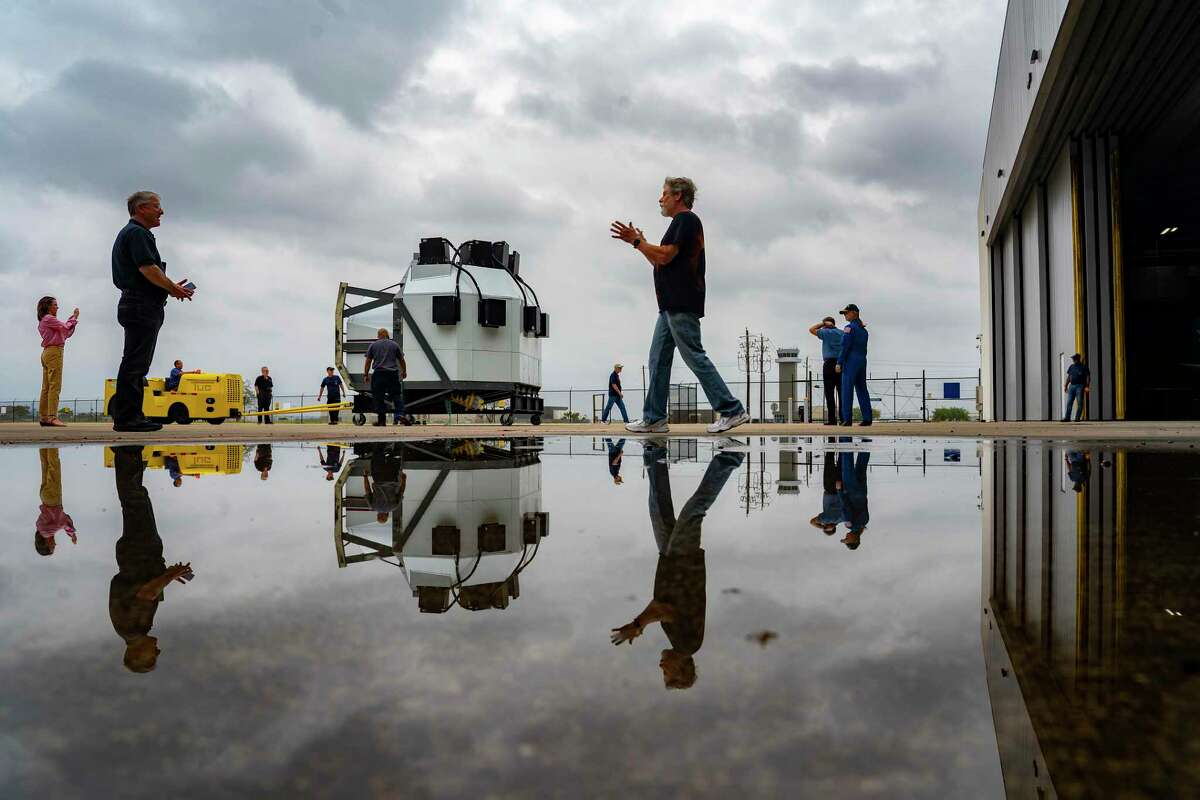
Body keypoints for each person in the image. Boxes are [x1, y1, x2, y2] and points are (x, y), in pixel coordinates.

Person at [610, 177, 749, 434]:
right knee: (658, 359)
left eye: (664, 194)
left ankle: (732, 410)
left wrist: (638, 242)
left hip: (681, 300)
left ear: (678, 196)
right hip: (669, 304)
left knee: (693, 355)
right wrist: (640, 243)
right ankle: (654, 418)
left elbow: (664, 255)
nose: (660, 199)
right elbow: (661, 262)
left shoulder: (686, 220)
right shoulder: (679, 224)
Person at [610, 439, 744, 690]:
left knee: (658, 507)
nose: (662, 668)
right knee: (694, 510)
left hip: (671, 560)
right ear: (682, 667)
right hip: (683, 560)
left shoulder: (678, 641)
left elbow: (666, 608)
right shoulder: (688, 644)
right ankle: (731, 458)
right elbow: (664, 609)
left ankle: (654, 452)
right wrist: (637, 625)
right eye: (667, 673)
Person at [110, 191, 194, 433]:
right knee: (136, 363)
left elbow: (147, 272)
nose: (161, 211)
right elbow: (148, 268)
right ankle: (128, 417)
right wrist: (173, 288)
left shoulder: (132, 233)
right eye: (157, 206)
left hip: (136, 302)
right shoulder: (138, 233)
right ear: (141, 208)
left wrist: (169, 287)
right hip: (141, 304)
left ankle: (130, 414)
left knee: (135, 361)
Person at [110, 445, 194, 673]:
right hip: (137, 556)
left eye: (152, 656)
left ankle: (127, 453)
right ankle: (131, 457)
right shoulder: (130, 630)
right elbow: (147, 591)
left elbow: (145, 594)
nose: (157, 651)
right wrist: (165, 576)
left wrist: (168, 575)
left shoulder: (134, 630)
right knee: (138, 500)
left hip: (139, 554)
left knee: (134, 501)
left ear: (138, 654)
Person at [36, 296, 79, 428]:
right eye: (55, 305)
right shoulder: (49, 318)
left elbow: (66, 333)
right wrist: (74, 318)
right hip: (55, 352)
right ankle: (52, 417)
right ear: (48, 306)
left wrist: (72, 322)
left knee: (46, 387)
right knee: (55, 385)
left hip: (47, 352)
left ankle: (44, 417)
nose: (57, 307)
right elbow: (65, 327)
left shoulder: (45, 321)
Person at [363, 328, 411, 427]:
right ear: (387, 335)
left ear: (378, 335)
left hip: (379, 374)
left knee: (378, 397)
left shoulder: (373, 345)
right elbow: (402, 360)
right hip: (392, 374)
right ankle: (399, 414)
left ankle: (382, 421)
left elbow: (368, 361)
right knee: (396, 394)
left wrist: (366, 374)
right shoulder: (394, 345)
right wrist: (404, 371)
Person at [35, 448, 77, 556]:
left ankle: (52, 444)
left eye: (52, 547)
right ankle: (44, 443)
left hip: (53, 499)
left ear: (47, 544)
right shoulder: (40, 529)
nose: (55, 545)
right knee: (45, 466)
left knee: (54, 467)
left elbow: (63, 522)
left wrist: (72, 534)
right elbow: (61, 522)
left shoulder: (47, 532)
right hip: (44, 497)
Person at [837, 303, 872, 426]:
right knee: (862, 389)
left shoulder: (849, 328)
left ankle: (847, 419)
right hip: (862, 360)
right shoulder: (864, 331)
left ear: (854, 313)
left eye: (847, 313)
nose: (845, 315)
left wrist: (839, 362)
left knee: (847, 389)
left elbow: (845, 346)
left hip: (850, 361)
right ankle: (867, 418)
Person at [808, 317, 844, 425]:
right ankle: (844, 418)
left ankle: (832, 419)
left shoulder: (826, 332)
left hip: (829, 364)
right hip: (841, 363)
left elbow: (811, 329)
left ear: (827, 324)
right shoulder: (842, 333)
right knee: (842, 392)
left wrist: (822, 324)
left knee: (829, 392)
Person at [364, 444, 406, 523]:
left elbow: (401, 491)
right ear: (378, 515)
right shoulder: (373, 506)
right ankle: (383, 436)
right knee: (378, 453)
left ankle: (400, 438)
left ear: (387, 516)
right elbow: (367, 490)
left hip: (392, 477)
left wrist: (404, 479)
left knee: (396, 455)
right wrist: (365, 476)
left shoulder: (394, 507)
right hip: (378, 477)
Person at [839, 451, 871, 550]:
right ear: (853, 539)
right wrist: (839, 490)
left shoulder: (865, 522)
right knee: (847, 463)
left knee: (862, 464)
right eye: (847, 539)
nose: (846, 536)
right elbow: (845, 506)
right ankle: (845, 438)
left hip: (862, 492)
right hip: (851, 491)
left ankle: (866, 440)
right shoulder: (849, 524)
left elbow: (865, 503)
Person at [808, 450, 843, 536]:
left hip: (840, 491)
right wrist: (822, 527)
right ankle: (831, 440)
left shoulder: (841, 519)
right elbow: (812, 522)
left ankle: (843, 443)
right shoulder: (825, 520)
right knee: (829, 462)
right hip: (829, 490)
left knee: (840, 465)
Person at [1062, 353, 1090, 421]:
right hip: (1072, 386)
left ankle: (1077, 418)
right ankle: (1067, 418)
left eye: (1075, 359)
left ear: (1078, 359)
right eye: (1073, 359)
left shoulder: (1084, 367)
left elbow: (1088, 377)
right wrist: (1066, 385)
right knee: (1069, 402)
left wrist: (1087, 386)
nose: (1074, 360)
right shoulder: (1071, 367)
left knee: (1080, 402)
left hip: (1080, 386)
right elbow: (1069, 377)